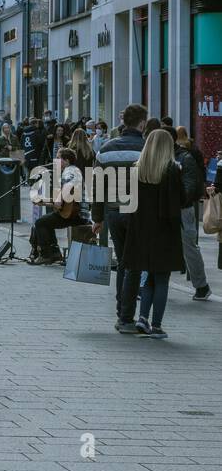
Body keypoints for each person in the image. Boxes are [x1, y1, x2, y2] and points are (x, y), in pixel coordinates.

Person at [115, 129, 185, 337]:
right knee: (161, 279)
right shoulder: (172, 170)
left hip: (140, 231)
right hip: (164, 231)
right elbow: (180, 201)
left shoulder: (138, 170)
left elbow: (127, 203)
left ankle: (143, 318)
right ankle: (156, 325)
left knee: (147, 278)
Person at [90, 103, 147, 322]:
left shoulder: (106, 149)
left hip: (114, 212)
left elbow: (97, 186)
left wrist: (97, 217)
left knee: (123, 260)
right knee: (133, 264)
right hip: (138, 213)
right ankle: (125, 315)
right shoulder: (146, 148)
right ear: (142, 123)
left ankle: (120, 309)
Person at [28, 147, 91, 263]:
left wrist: (59, 200)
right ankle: (54, 253)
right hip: (76, 213)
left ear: (66, 161)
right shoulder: (73, 170)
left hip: (78, 215)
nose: (55, 160)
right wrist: (44, 202)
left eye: (58, 158)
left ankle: (47, 255)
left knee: (40, 223)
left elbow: (68, 186)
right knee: (47, 222)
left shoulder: (70, 170)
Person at [174, 128, 210, 300]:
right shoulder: (177, 155)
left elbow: (191, 183)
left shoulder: (185, 156)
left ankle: (201, 286)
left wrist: (178, 201)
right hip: (178, 208)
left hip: (183, 209)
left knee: (189, 246)